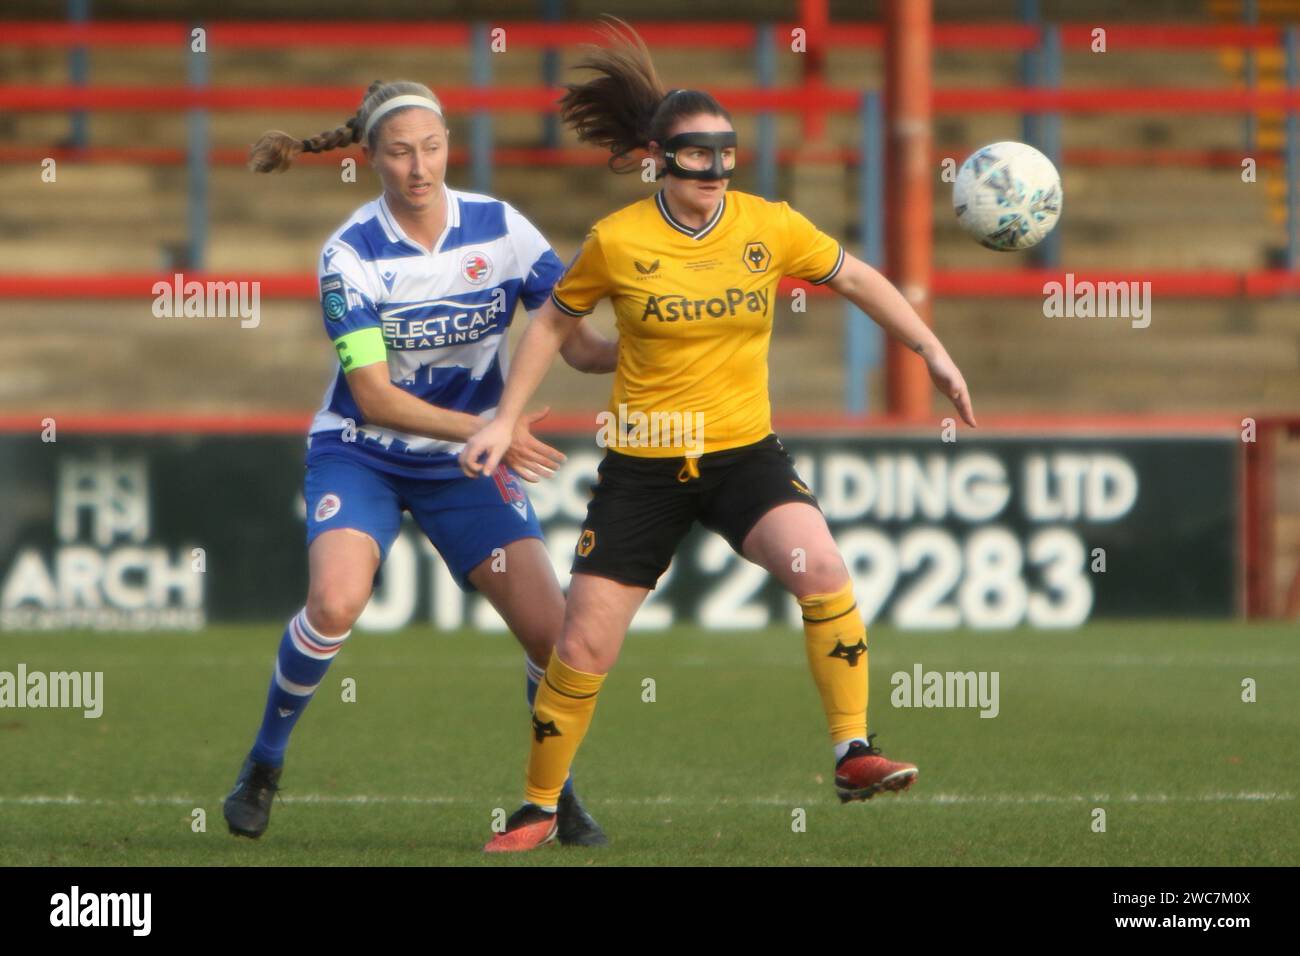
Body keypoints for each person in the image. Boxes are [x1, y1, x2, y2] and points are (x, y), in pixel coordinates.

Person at [459, 20, 978, 852]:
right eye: (696, 157)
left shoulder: (767, 226)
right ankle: (538, 804)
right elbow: (555, 325)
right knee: (583, 641)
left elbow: (857, 277)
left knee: (823, 566)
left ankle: (853, 753)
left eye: (724, 155)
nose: (714, 173)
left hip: (743, 454)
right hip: (642, 466)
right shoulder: (619, 241)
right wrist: (506, 416)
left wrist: (931, 348)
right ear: (659, 159)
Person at [222, 79, 616, 847]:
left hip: (464, 461)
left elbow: (579, 341)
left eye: (431, 148)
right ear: (369, 158)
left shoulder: (501, 228)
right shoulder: (350, 254)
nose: (419, 167)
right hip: (361, 454)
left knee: (554, 635)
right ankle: (264, 763)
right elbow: (371, 397)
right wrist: (490, 425)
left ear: (448, 147)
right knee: (335, 603)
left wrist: (653, 339)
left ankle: (555, 792)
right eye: (399, 152)